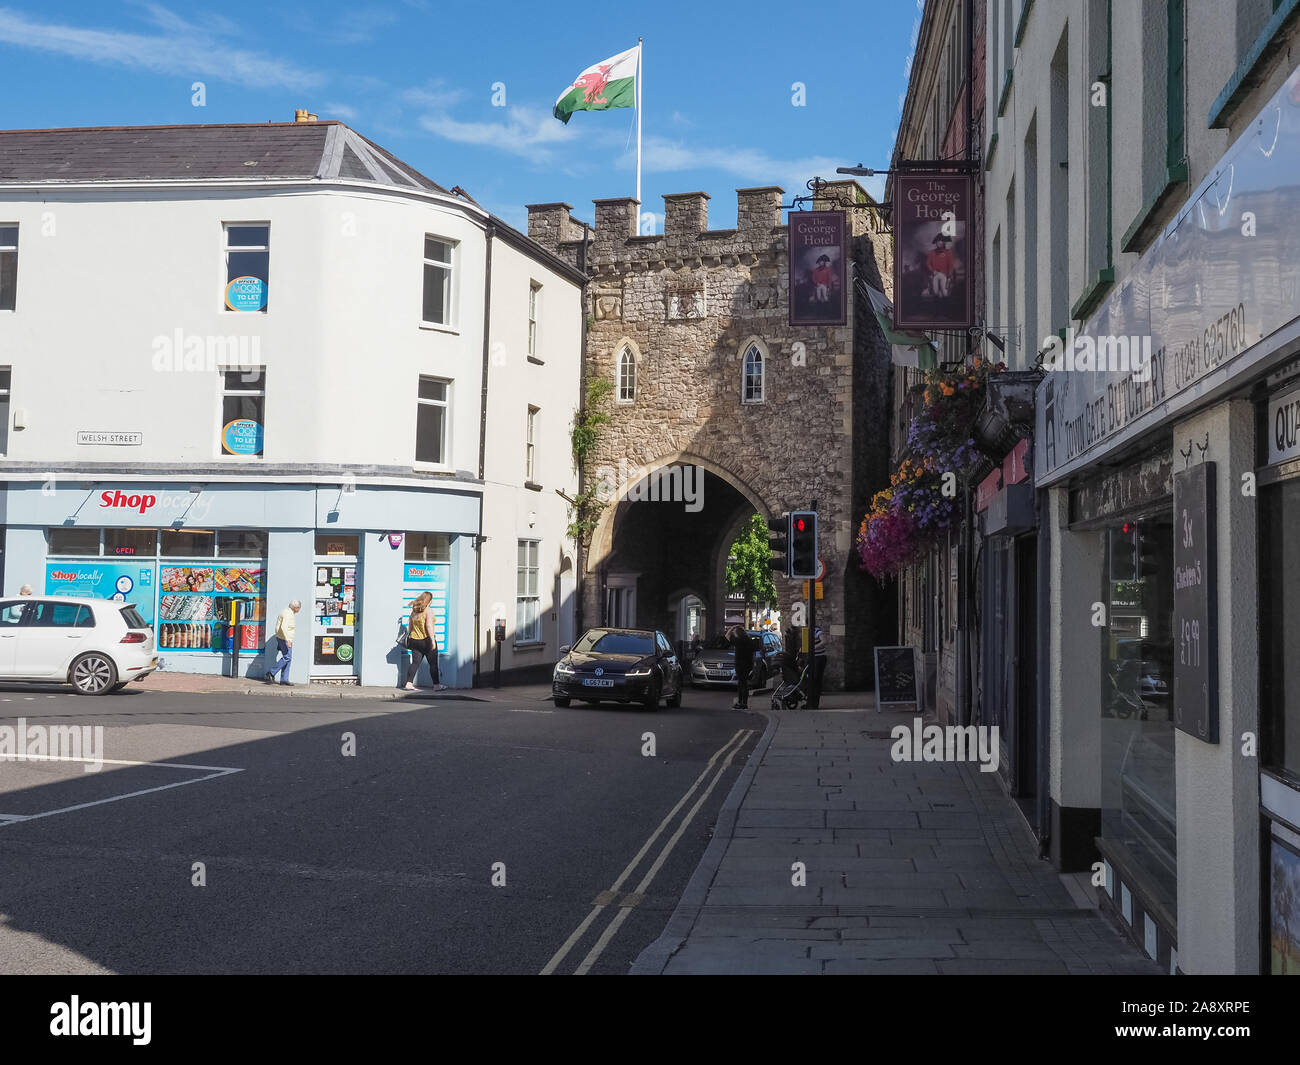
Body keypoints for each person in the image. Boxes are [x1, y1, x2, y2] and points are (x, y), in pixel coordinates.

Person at [404, 591, 446, 692]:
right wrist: (432, 641)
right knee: (433, 664)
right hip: (426, 640)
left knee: (415, 663)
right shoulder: (428, 611)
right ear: (429, 601)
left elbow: (410, 625)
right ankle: (436, 686)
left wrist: (411, 635)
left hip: (414, 640)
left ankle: (409, 683)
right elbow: (429, 626)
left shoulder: (414, 611)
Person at [265, 600, 301, 685]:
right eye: (299, 608)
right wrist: (287, 640)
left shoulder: (288, 612)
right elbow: (284, 627)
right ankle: (271, 672)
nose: (299, 610)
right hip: (284, 638)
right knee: (287, 657)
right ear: (295, 607)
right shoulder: (288, 614)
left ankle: (284, 679)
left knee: (288, 658)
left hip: (283, 638)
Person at [729, 624, 756, 710]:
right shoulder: (749, 640)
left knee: (741, 684)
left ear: (737, 633)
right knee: (744, 683)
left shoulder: (738, 640)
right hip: (748, 664)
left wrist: (732, 628)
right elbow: (754, 653)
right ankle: (744, 702)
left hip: (740, 664)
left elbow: (727, 636)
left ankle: (741, 703)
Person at [808, 625, 829, 708]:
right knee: (811, 679)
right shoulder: (807, 631)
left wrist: (813, 647)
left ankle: (815, 703)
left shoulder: (817, 631)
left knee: (816, 680)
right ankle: (810, 702)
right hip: (812, 658)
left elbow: (824, 641)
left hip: (819, 658)